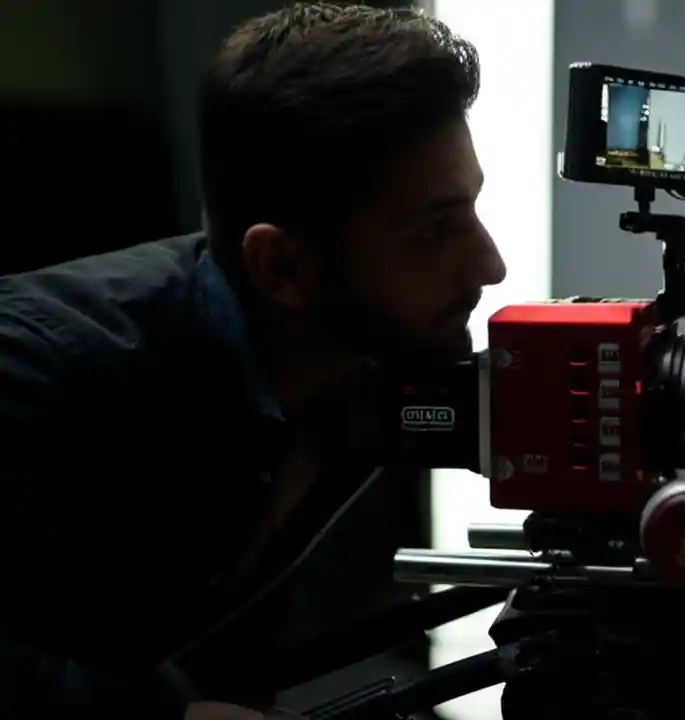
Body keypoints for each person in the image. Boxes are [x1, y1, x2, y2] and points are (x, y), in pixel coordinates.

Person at [0, 3, 505, 717]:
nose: (491, 264)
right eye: (434, 231)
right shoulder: (33, 372)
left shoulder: (355, 367)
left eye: (474, 211)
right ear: (282, 267)